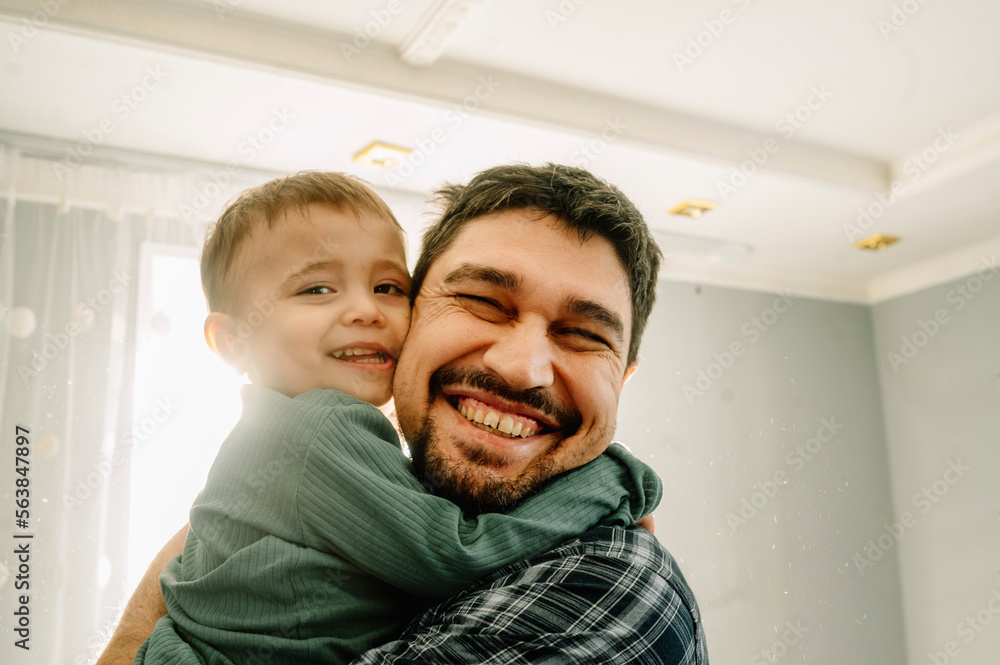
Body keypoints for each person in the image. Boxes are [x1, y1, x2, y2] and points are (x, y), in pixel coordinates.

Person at [99, 164, 709, 664]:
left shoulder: (614, 590)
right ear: (423, 318)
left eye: (583, 333)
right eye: (480, 300)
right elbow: (448, 553)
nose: (523, 369)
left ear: (623, 382)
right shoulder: (327, 439)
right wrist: (617, 479)